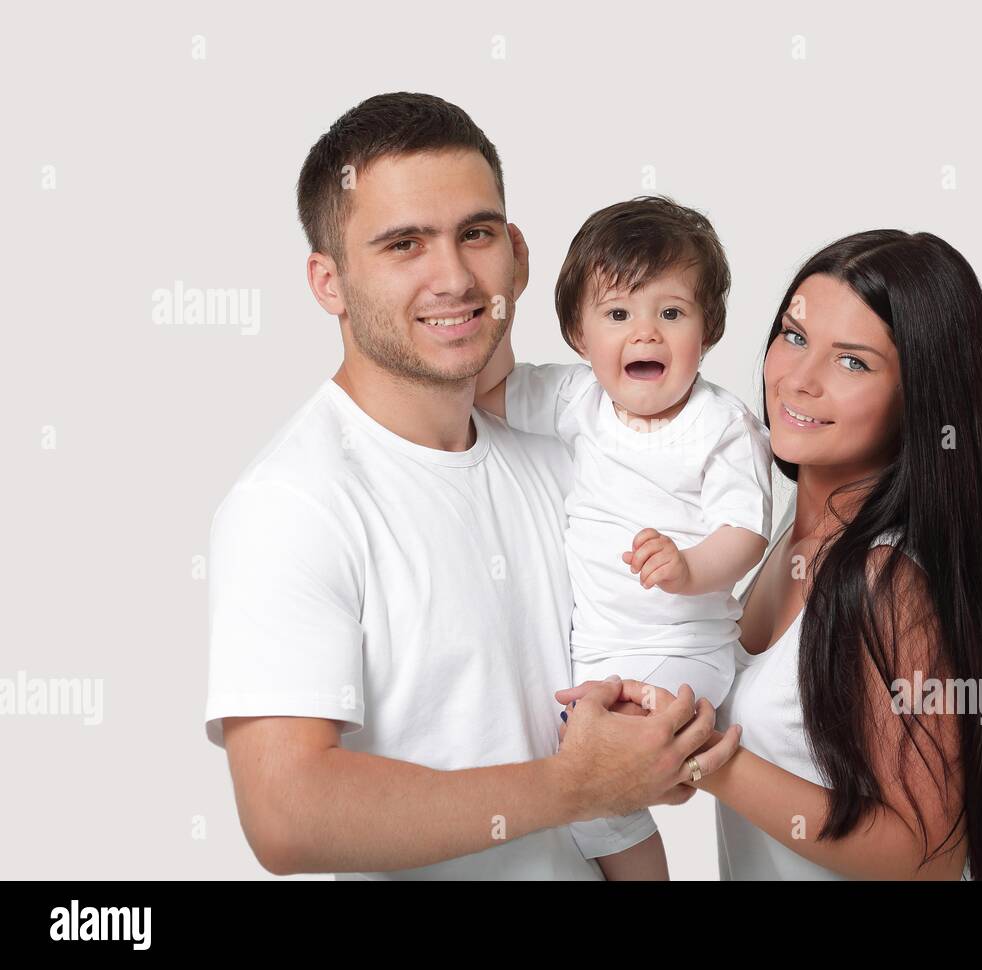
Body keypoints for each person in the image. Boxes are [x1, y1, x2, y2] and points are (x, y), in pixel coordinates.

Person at [203, 91, 740, 880]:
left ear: (516, 254)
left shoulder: (563, 456)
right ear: (329, 282)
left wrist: (658, 748)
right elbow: (287, 816)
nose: (453, 276)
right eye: (403, 245)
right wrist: (575, 784)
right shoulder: (293, 503)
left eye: (476, 235)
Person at [560, 231, 982, 880]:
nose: (799, 379)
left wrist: (695, 753)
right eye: (794, 335)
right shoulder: (782, 531)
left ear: (919, 398)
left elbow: (926, 856)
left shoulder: (887, 582)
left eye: (853, 363)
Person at [474, 196, 772, 878]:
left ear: (709, 327)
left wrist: (689, 567)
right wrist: (500, 296)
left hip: (683, 653)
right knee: (586, 797)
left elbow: (745, 533)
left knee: (613, 770)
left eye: (671, 313)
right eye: (616, 315)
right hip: (597, 654)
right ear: (579, 336)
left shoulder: (720, 425)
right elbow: (489, 390)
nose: (645, 335)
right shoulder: (577, 400)